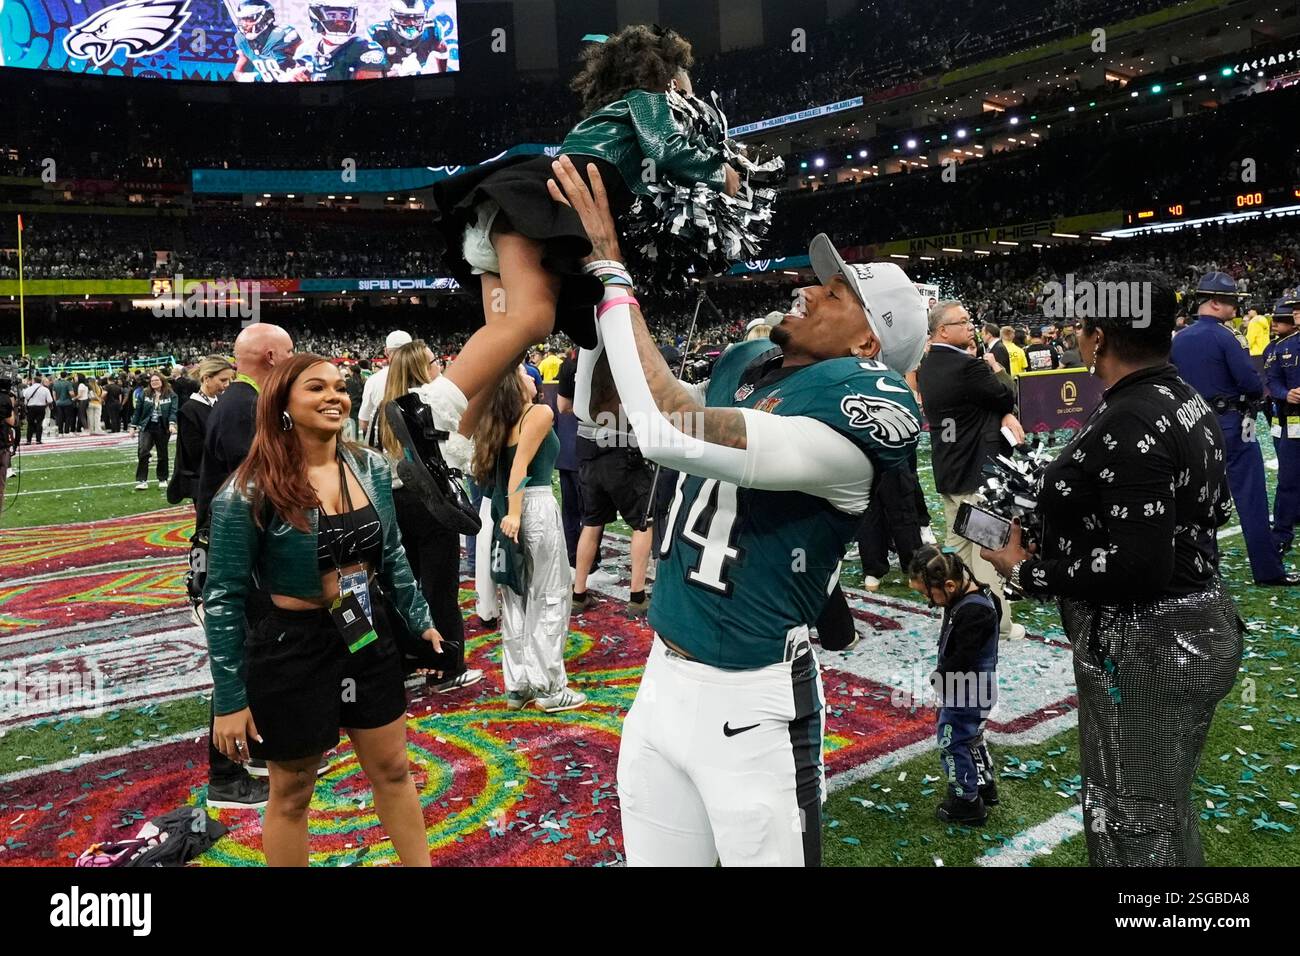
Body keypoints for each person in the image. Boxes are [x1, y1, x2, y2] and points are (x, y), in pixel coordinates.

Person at [551, 154, 926, 866]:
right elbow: (612, 412)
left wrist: (614, 274)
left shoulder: (852, 415)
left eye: (835, 293)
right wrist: (589, 321)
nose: (808, 291)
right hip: (661, 680)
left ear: (866, 345)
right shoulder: (752, 367)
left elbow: (664, 434)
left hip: (755, 706)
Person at [983, 263, 1244, 867]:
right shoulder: (1177, 396)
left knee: (1138, 821)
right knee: (1147, 811)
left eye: (1081, 326)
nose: (1076, 336)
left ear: (1098, 336)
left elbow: (1139, 566)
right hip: (1182, 626)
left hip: (1152, 640)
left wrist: (1027, 572)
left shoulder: (1132, 414)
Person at [422, 25, 741, 513]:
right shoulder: (649, 99)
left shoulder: (603, 117)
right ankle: (429, 408)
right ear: (668, 75)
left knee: (505, 344)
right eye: (685, 78)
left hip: (497, 222)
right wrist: (721, 172)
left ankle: (452, 447)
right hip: (532, 209)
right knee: (533, 319)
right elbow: (665, 147)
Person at [204, 354, 441, 867]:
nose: (334, 396)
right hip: (292, 647)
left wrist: (419, 618)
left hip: (363, 630)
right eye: (316, 388)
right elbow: (221, 595)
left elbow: (393, 552)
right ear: (283, 403)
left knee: (395, 770)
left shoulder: (371, 467)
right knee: (292, 793)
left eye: (339, 386)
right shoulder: (248, 490)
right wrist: (228, 699)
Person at [194, 322, 294, 810]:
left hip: (243, 549)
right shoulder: (243, 407)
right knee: (240, 653)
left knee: (256, 650)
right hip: (239, 554)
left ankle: (249, 751)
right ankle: (225, 775)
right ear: (273, 357)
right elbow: (252, 487)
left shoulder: (241, 402)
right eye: (292, 354)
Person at [1170, 271, 1297, 585]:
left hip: (1192, 426)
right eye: (1230, 302)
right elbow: (1250, 382)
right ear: (1215, 303)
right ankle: (1268, 571)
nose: (1235, 308)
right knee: (1251, 502)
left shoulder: (1179, 338)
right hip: (1230, 424)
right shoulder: (1226, 336)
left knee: (1199, 503)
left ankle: (1203, 571)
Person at [471, 363, 584, 713]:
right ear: (512, 384)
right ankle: (549, 686)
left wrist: (509, 514)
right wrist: (517, 515)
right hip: (529, 506)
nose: (530, 375)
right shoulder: (537, 413)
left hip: (504, 510)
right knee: (549, 596)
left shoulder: (499, 422)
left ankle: (519, 685)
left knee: (517, 599)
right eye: (522, 371)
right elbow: (520, 468)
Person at [377, 340, 484, 693]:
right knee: (441, 589)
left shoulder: (385, 406)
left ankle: (409, 659)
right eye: (434, 361)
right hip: (431, 500)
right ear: (424, 368)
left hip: (395, 503)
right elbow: (458, 452)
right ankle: (448, 667)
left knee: (405, 586)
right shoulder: (430, 402)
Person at [916, 300, 1026, 641]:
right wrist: (995, 368)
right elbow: (1006, 396)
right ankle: (998, 625)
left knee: (958, 550)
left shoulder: (927, 365)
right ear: (942, 331)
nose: (970, 326)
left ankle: (959, 613)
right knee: (988, 554)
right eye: (962, 322)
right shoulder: (971, 367)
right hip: (978, 475)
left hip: (950, 471)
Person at [907, 547, 1000, 826]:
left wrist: (940, 678)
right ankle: (985, 786)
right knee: (972, 738)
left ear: (949, 585)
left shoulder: (972, 611)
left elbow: (963, 657)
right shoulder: (980, 596)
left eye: (928, 594)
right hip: (976, 688)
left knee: (953, 741)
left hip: (966, 689)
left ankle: (966, 801)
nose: (929, 601)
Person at [171, 357, 234, 506]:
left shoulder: (222, 403)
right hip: (206, 482)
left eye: (229, 380)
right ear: (207, 378)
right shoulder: (189, 410)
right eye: (223, 380)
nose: (227, 385)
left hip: (226, 478)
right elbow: (195, 452)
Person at [1264, 298, 1300, 558]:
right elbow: (1272, 381)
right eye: (1295, 308)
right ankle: (1282, 533)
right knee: (1288, 480)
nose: (1296, 312)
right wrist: (1285, 394)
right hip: (1293, 422)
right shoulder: (1281, 348)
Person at [357, 330, 413, 443]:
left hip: (386, 447)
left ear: (386, 352)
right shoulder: (427, 377)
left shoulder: (373, 380)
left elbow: (364, 422)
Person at [129, 373, 178, 491]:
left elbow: (173, 410)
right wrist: (133, 426)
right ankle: (142, 480)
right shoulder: (145, 394)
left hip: (162, 426)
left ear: (162, 381)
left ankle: (162, 478)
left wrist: (172, 423)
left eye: (157, 380)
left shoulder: (171, 394)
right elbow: (138, 411)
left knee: (162, 453)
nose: (154, 382)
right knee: (143, 451)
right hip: (146, 426)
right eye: (152, 381)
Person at [21, 376, 52, 444]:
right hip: (41, 407)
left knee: (30, 424)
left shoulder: (28, 389)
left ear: (33, 381)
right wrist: (44, 404)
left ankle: (29, 440)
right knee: (39, 423)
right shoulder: (45, 389)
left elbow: (25, 399)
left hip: (31, 408)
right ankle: (38, 440)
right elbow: (50, 400)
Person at [52, 371, 75, 435]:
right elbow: (71, 393)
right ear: (66, 376)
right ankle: (66, 431)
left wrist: (56, 400)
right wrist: (74, 397)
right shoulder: (68, 383)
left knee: (60, 417)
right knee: (68, 417)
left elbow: (54, 393)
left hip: (58, 403)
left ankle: (60, 431)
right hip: (67, 402)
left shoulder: (56, 383)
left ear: (60, 375)